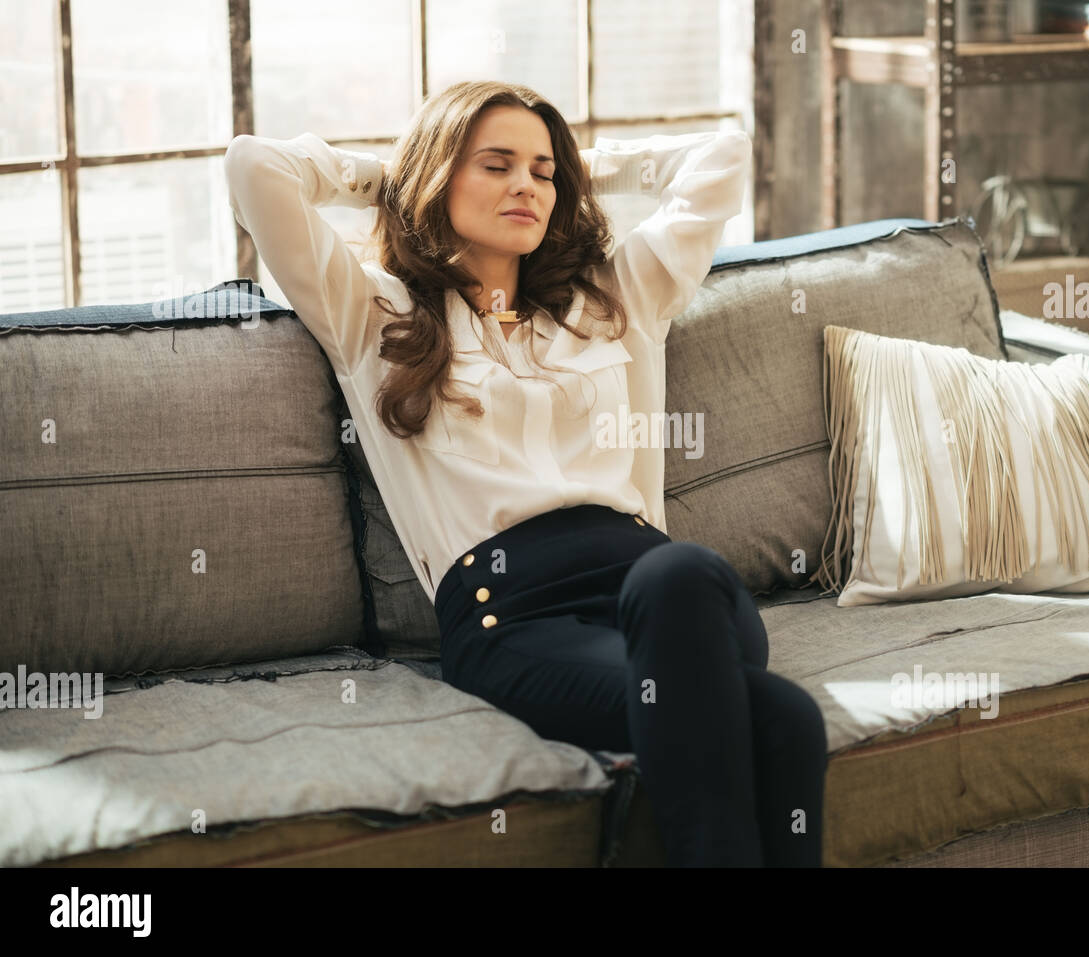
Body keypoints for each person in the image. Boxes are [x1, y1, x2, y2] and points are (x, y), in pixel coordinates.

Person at [223, 80, 827, 867]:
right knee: (784, 720)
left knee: (679, 575)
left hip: (665, 597)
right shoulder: (377, 317)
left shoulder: (613, 300)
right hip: (515, 618)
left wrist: (584, 167)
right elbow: (253, 169)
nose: (527, 187)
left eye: (543, 172)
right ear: (440, 174)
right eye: (497, 164)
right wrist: (393, 176)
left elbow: (721, 159)